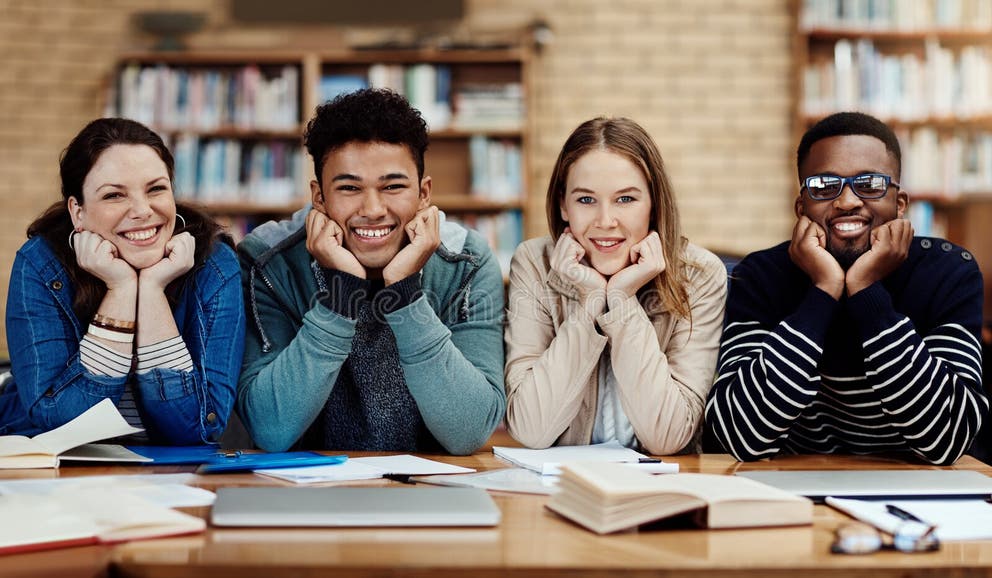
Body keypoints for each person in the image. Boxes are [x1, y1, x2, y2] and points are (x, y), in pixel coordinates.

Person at [704, 111, 988, 465]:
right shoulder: (760, 276)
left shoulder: (947, 273)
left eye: (869, 184)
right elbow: (737, 436)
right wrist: (822, 293)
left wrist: (867, 292)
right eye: (824, 186)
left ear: (899, 205)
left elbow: (947, 439)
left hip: (919, 489)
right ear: (801, 206)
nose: (848, 201)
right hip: (798, 488)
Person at [237, 88, 506, 454]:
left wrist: (406, 295)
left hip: (431, 496)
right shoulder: (269, 262)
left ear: (424, 193)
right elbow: (270, 428)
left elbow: (468, 432)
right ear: (319, 196)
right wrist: (341, 296)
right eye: (349, 187)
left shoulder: (466, 262)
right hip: (304, 494)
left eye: (393, 186)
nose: (374, 208)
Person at [1, 118, 245, 444]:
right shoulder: (41, 264)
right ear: (78, 211)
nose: (143, 210)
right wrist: (122, 288)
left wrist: (153, 288)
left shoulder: (213, 264)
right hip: (57, 471)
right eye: (115, 195)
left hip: (167, 477)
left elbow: (198, 428)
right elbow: (60, 422)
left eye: (156, 188)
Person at [503, 117, 727, 454]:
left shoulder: (699, 274)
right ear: (563, 205)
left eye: (625, 200)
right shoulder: (535, 263)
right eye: (586, 200)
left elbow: (667, 436)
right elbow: (531, 429)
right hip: (559, 487)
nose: (606, 222)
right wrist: (590, 299)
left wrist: (621, 301)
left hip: (662, 487)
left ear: (654, 204)